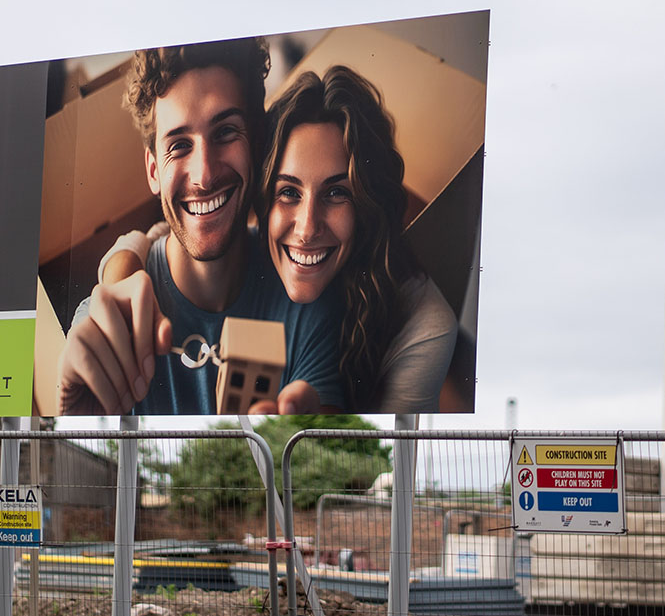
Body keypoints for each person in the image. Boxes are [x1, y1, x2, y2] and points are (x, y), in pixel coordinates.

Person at [102, 65, 458, 413]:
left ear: (368, 202)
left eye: (336, 193)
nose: (306, 229)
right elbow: (175, 233)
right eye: (288, 191)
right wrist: (123, 264)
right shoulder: (260, 255)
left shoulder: (424, 325)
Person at [57, 38, 344, 416]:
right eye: (179, 145)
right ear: (154, 171)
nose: (204, 175)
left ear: (258, 142)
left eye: (225, 132)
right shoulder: (106, 319)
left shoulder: (307, 303)